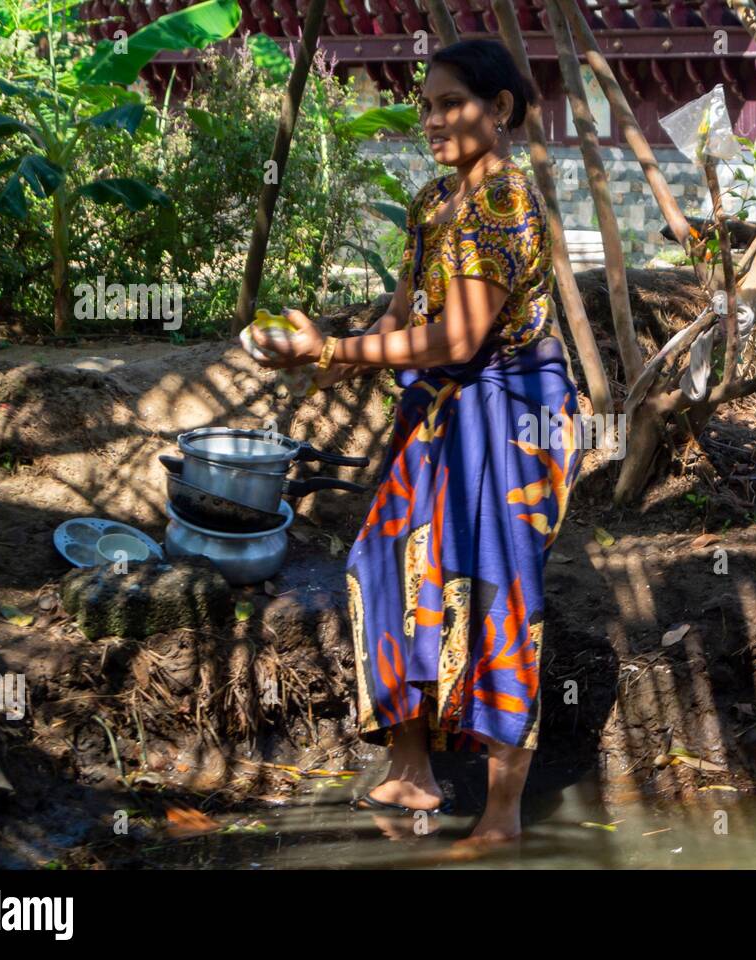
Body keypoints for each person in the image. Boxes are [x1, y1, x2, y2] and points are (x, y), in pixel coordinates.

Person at [251, 38, 582, 847]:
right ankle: (413, 771)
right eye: (426, 104)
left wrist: (335, 353)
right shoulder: (434, 199)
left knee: (498, 595)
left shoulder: (505, 202)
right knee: (388, 560)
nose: (430, 119)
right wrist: (325, 361)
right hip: (441, 410)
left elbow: (460, 338)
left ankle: (501, 816)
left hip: (512, 418)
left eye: (449, 104)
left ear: (499, 110)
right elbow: (406, 318)